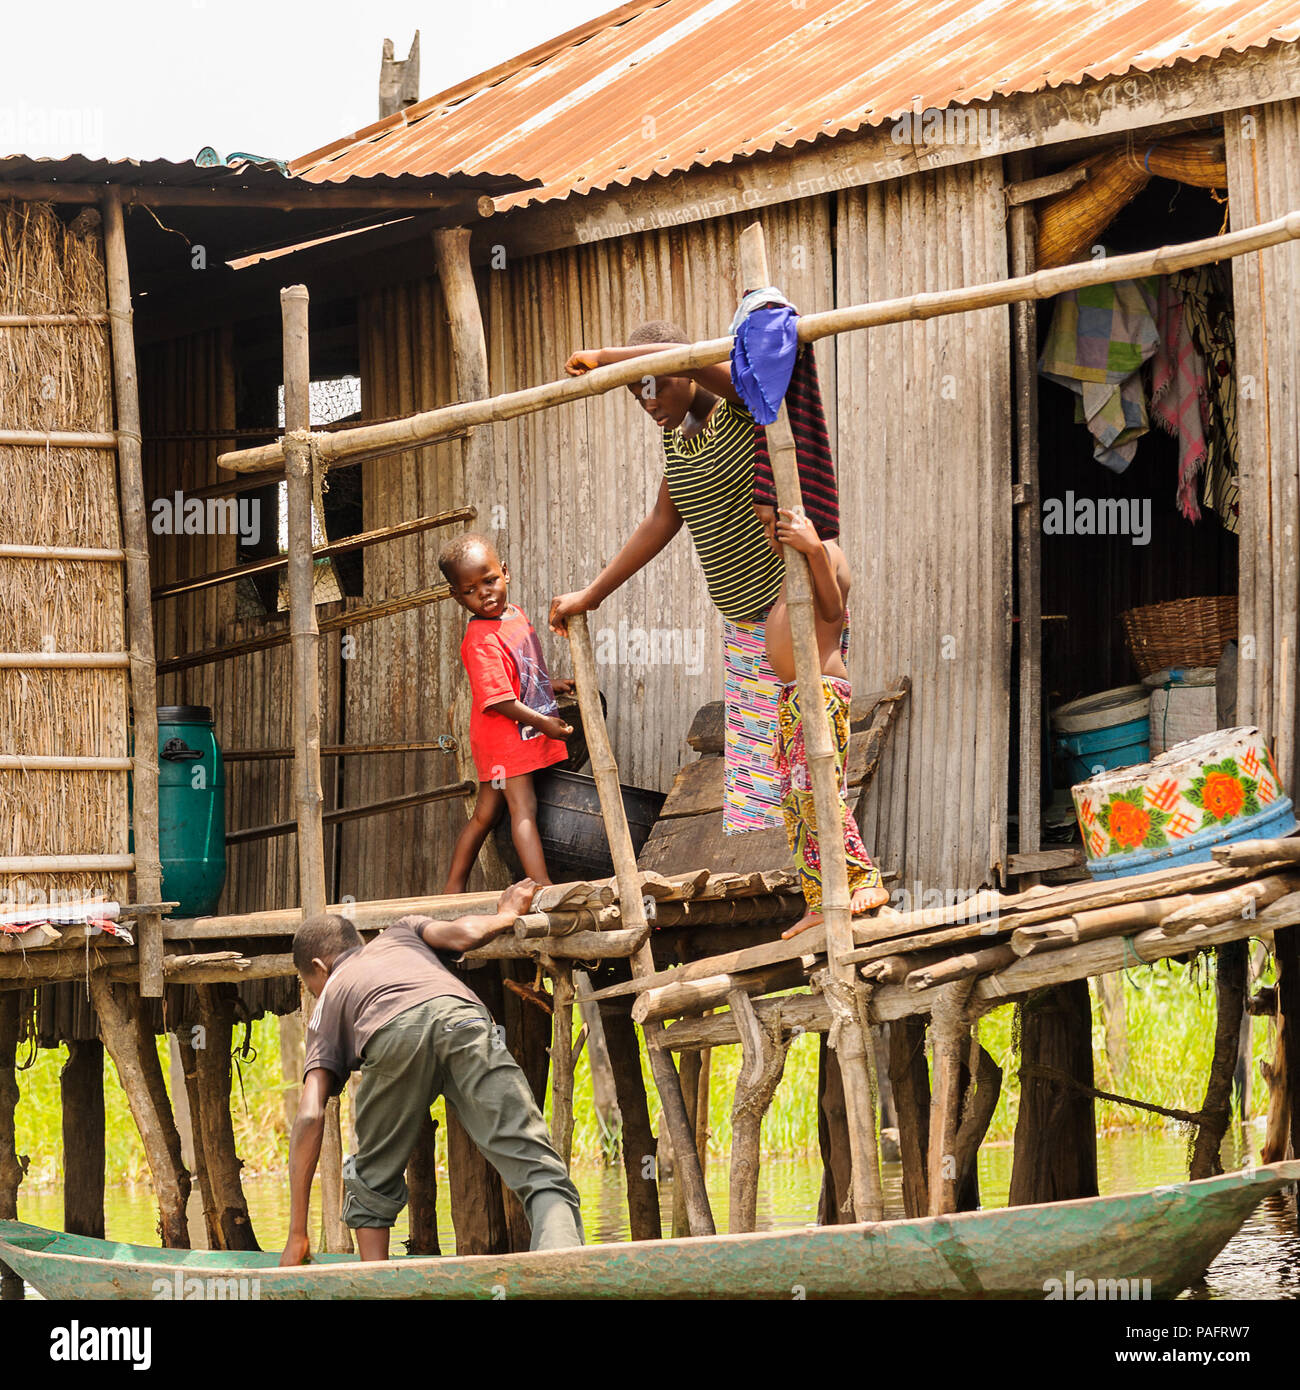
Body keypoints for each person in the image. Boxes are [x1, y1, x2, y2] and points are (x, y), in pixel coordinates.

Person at [550, 322, 788, 836]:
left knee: (805, 756)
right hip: (742, 626)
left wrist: (606, 354)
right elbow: (663, 519)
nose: (650, 404)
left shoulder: (740, 404)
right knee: (762, 785)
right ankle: (810, 892)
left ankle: (844, 888)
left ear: (683, 374)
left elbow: (691, 354)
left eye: (656, 387)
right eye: (638, 395)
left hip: (789, 608)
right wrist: (591, 596)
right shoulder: (677, 440)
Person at [279, 878, 583, 1265]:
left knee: (372, 1178)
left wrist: (297, 1235)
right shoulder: (401, 932)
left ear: (319, 968)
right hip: (464, 1019)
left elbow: (309, 1114)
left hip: (392, 1033)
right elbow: (463, 934)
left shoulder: (329, 1000)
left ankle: (376, 1284)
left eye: (312, 988)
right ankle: (561, 1271)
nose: (317, 995)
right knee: (538, 1169)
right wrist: (507, 915)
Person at [759, 507, 890, 938]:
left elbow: (832, 610)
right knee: (795, 804)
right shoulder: (789, 568)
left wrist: (814, 548)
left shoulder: (827, 551)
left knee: (820, 791)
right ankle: (819, 898)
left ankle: (863, 878)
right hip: (794, 696)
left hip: (820, 694)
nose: (767, 532)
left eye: (769, 523)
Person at [439, 533, 574, 892]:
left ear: (506, 573)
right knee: (522, 808)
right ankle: (541, 886)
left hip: (513, 733)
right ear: (457, 596)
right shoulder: (480, 639)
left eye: (490, 580)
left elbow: (518, 671)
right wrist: (544, 723)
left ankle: (452, 891)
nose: (484, 593)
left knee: (485, 815)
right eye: (470, 590)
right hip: (505, 740)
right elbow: (499, 700)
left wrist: (551, 684)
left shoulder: (514, 616)